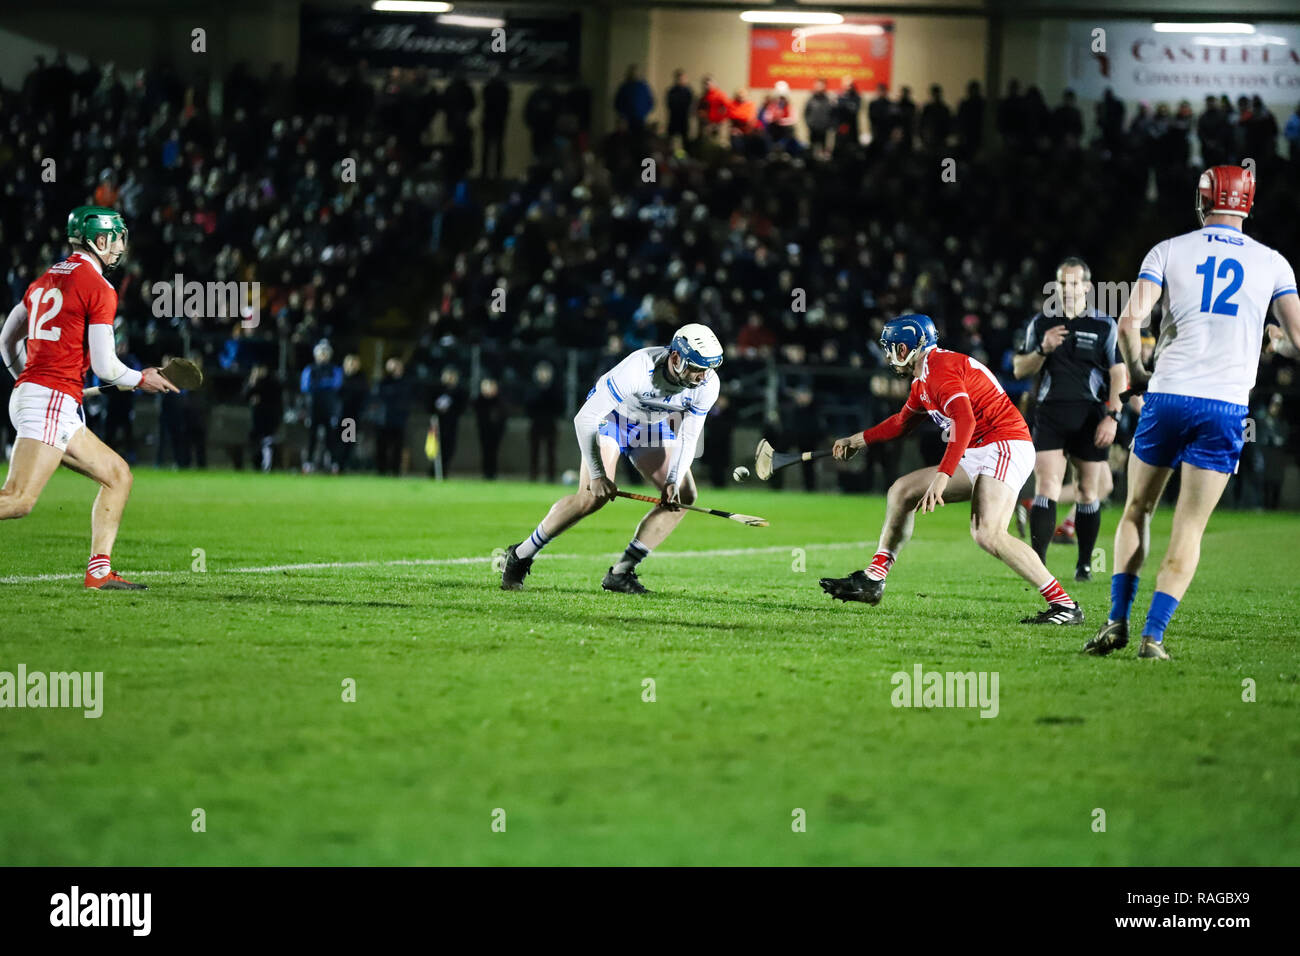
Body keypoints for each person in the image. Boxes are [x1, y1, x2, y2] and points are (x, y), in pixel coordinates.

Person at [1085, 166, 1300, 660]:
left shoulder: (1168, 249)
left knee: (1137, 510)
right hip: (1225, 407)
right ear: (1248, 203)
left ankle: (1116, 621)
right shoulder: (1274, 263)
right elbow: (1297, 341)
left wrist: (1138, 372)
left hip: (1167, 395)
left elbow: (1128, 320)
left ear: (1203, 202)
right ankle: (1152, 637)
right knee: (1190, 527)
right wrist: (1276, 345)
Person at [820, 314, 1083, 625]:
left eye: (892, 348)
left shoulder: (940, 371)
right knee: (902, 491)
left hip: (1004, 443)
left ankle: (1064, 606)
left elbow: (965, 421)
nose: (889, 355)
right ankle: (874, 578)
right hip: (980, 447)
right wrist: (857, 440)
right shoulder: (923, 378)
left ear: (906, 349)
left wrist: (942, 477)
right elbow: (902, 422)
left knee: (988, 533)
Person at [0, 206, 178, 589]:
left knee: (117, 476)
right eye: (115, 238)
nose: (119, 246)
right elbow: (107, 366)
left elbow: (6, 340)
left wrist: (27, 383)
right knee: (17, 500)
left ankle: (98, 572)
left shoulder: (43, 280)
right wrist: (141, 378)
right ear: (100, 241)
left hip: (47, 399)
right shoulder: (99, 288)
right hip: (49, 400)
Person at [501, 324, 723, 594]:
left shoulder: (708, 384)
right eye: (697, 369)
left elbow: (690, 435)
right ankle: (521, 555)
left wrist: (673, 480)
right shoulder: (638, 368)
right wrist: (597, 475)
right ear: (676, 358)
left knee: (684, 496)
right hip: (612, 420)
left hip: (651, 428)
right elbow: (584, 418)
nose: (702, 377)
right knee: (591, 498)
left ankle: (621, 573)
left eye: (707, 370)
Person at [1012, 257, 1125, 580]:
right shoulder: (1041, 323)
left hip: (1090, 415)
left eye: (1075, 283)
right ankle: (1039, 567)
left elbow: (1119, 373)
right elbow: (1020, 368)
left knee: (1089, 491)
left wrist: (1112, 417)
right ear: (1057, 286)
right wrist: (1043, 350)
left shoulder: (1104, 325)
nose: (1069, 289)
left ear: (1087, 287)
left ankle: (1084, 565)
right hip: (1050, 413)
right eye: (1063, 283)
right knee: (1046, 486)